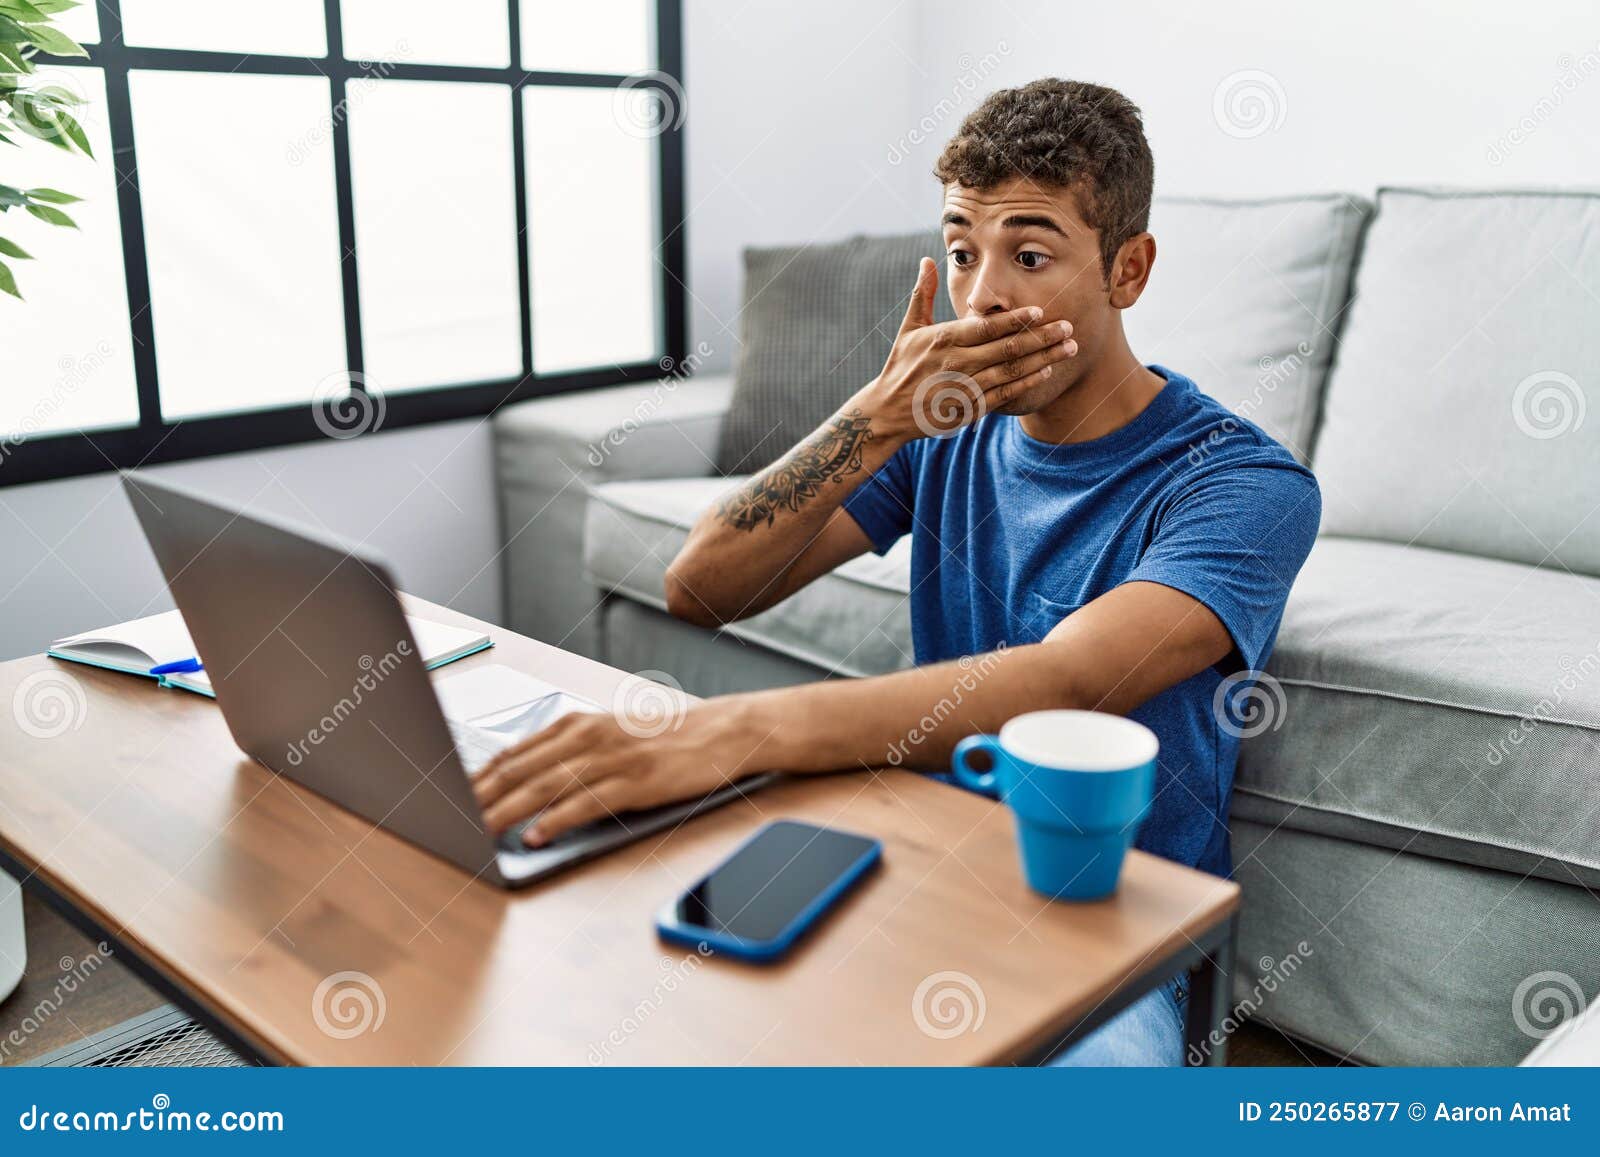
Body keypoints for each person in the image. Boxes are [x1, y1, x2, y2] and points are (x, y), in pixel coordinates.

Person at [473, 78, 1320, 1065]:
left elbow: (1064, 677)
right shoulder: (940, 434)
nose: (984, 294)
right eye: (962, 251)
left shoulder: (1245, 485)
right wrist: (874, 417)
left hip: (1110, 926)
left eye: (1030, 254)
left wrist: (734, 730)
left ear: (1127, 270)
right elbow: (700, 583)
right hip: (925, 869)